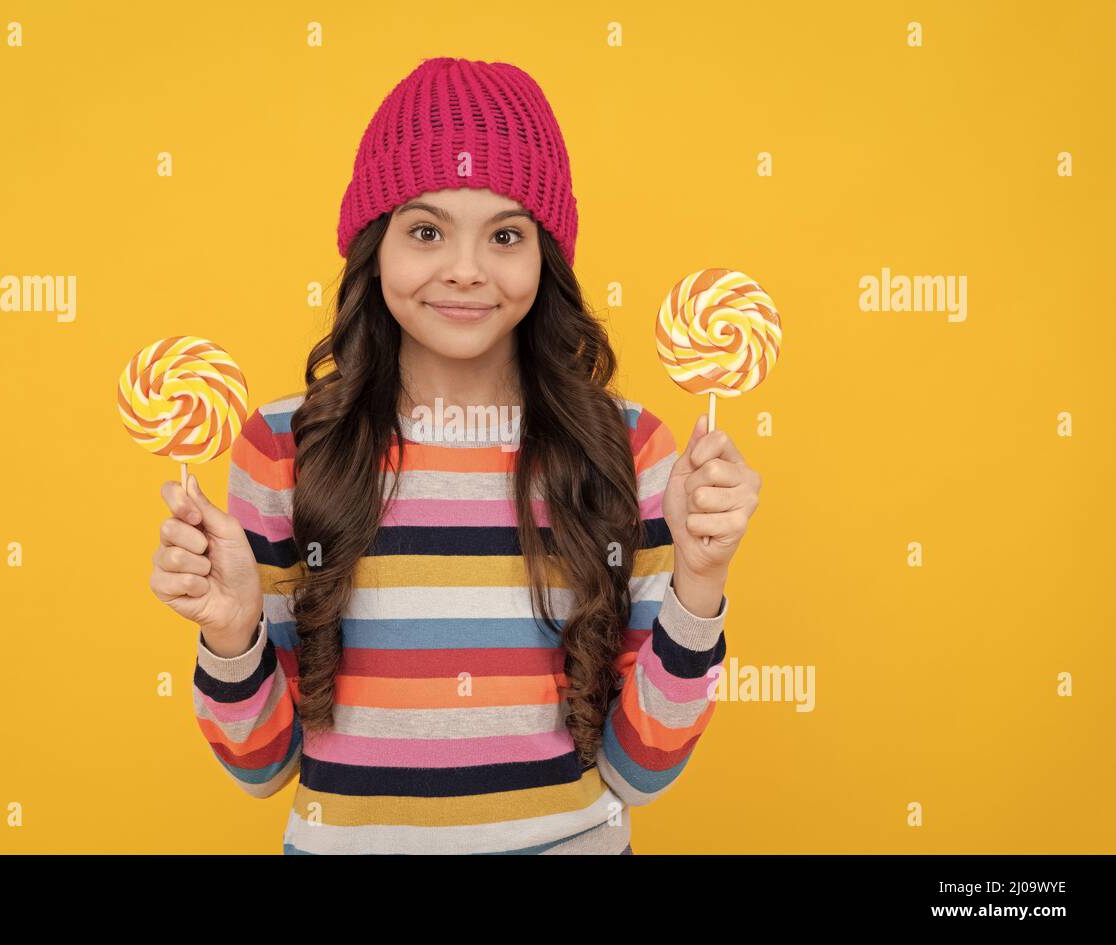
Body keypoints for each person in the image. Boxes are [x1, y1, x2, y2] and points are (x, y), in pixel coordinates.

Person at [149, 57, 762, 854]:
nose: (466, 269)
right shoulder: (284, 449)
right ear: (375, 247)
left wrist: (701, 580)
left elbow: (643, 770)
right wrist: (230, 632)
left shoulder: (631, 448)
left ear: (547, 255)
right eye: (427, 230)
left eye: (505, 234)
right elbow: (263, 767)